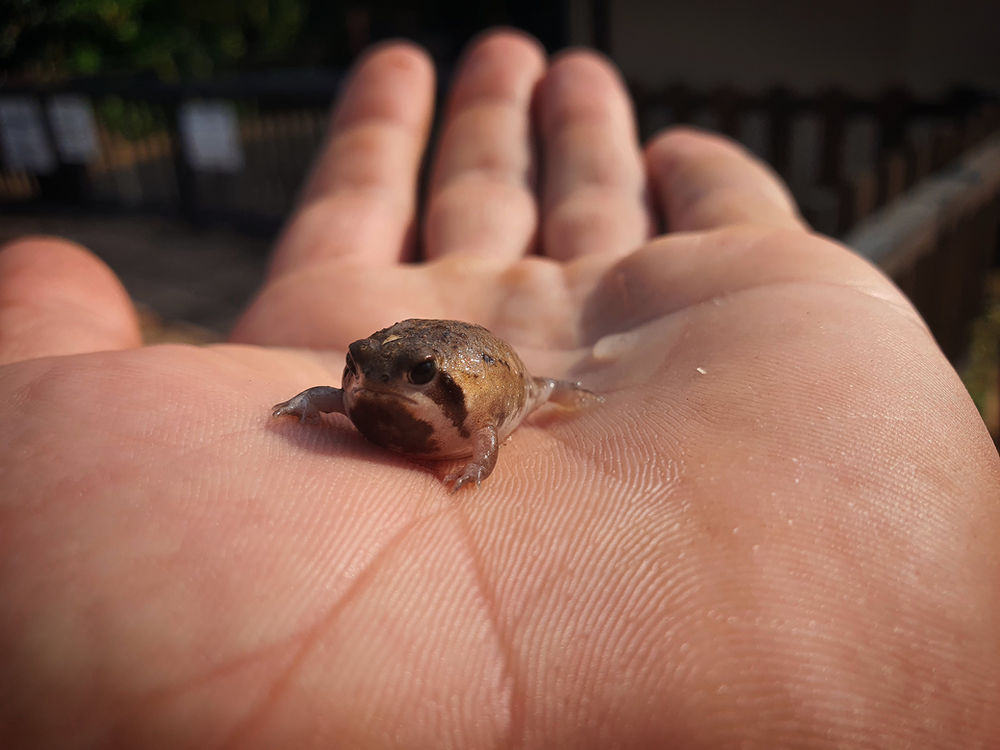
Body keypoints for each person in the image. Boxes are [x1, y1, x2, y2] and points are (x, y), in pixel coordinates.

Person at [0, 28, 997, 748]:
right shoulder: (356, 393)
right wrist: (321, 400)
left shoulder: (487, 407)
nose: (374, 388)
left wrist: (490, 438)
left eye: (414, 380)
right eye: (363, 368)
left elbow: (518, 403)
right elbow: (343, 391)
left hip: (509, 387)